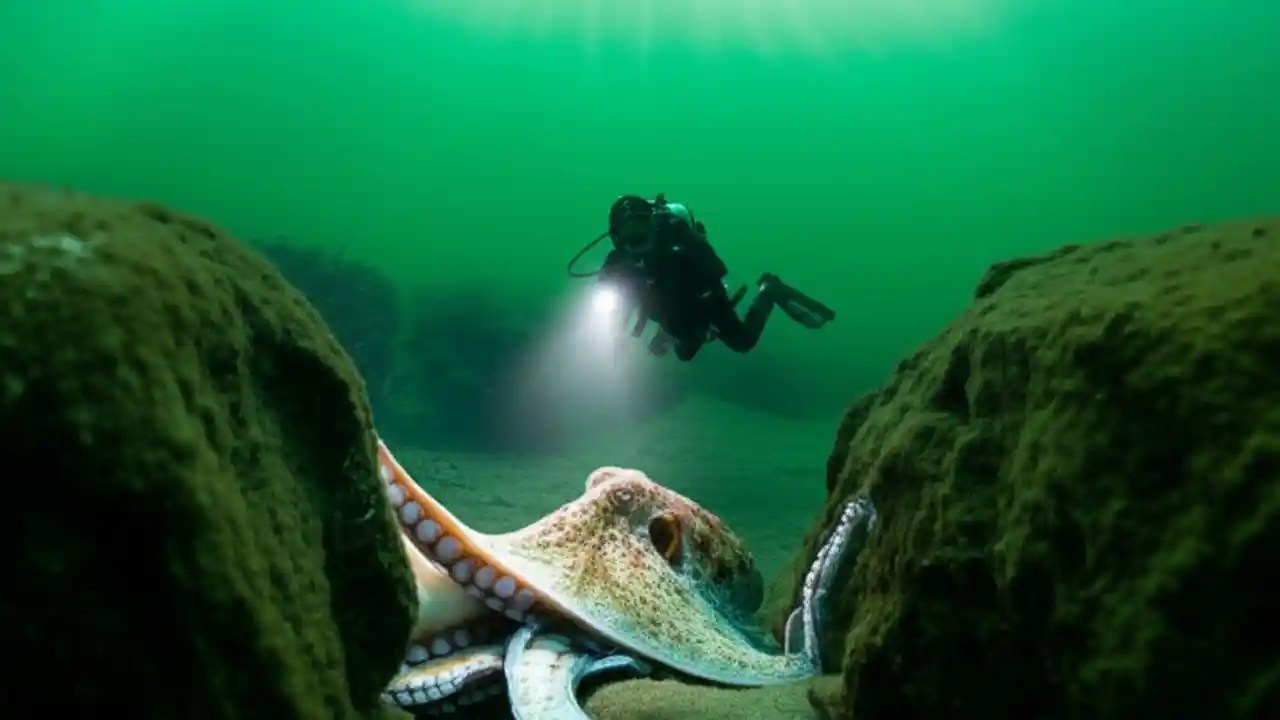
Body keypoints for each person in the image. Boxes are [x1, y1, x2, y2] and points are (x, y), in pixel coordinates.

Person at [591, 193, 835, 361]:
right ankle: (675, 334)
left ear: (653, 224)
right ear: (615, 236)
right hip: (671, 311)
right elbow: (610, 298)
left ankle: (769, 289)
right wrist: (616, 331)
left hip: (704, 299)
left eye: (640, 228)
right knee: (684, 353)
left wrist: (702, 305)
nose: (635, 239)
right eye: (628, 232)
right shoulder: (618, 261)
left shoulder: (677, 238)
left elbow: (715, 268)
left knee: (742, 342)